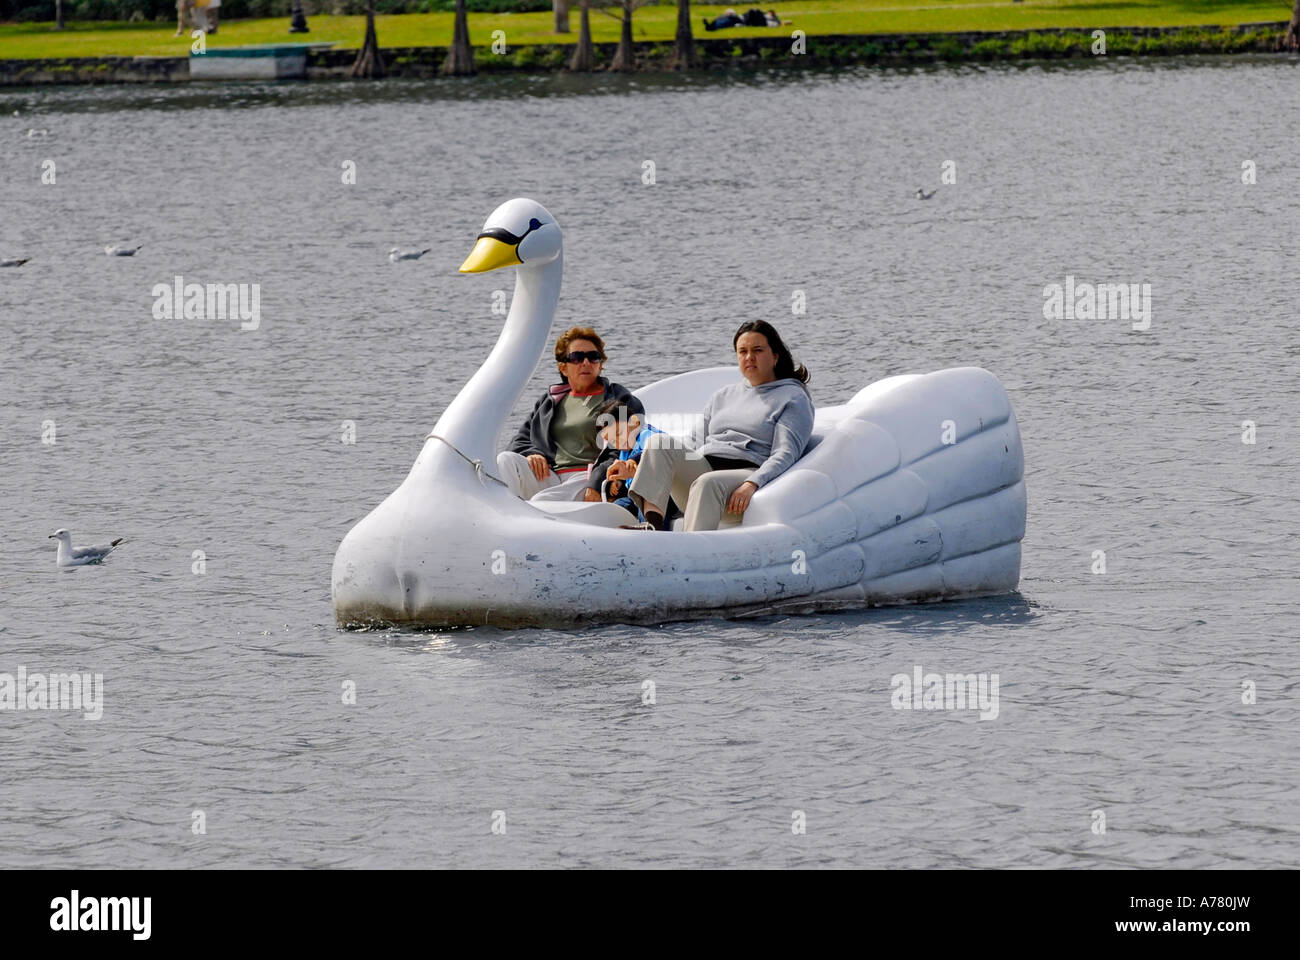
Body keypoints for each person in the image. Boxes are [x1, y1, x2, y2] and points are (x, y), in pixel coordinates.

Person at [627, 320, 813, 532]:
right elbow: (692, 443)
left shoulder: (792, 397)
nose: (749, 357)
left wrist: (752, 483)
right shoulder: (722, 396)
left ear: (775, 356)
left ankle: (691, 552)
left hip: (745, 479)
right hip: (703, 472)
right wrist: (639, 462)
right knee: (657, 442)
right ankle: (653, 526)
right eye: (742, 351)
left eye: (758, 350)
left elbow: (785, 453)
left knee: (708, 483)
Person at [497, 327, 644, 503]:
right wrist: (533, 453)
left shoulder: (620, 399)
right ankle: (504, 515)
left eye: (593, 357)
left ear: (601, 364)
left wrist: (596, 481)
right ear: (563, 368)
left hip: (588, 476)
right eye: (577, 358)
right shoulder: (550, 401)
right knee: (506, 460)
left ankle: (527, 519)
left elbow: (627, 447)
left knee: (542, 502)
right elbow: (519, 440)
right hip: (549, 475)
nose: (586, 362)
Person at [593, 398, 664, 523]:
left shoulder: (646, 434)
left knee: (645, 512)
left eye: (619, 433)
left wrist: (634, 459)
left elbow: (657, 448)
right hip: (634, 496)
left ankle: (650, 530)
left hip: (658, 494)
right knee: (616, 507)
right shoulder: (624, 451)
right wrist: (618, 481)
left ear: (635, 422)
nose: (617, 442)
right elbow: (626, 474)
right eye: (611, 440)